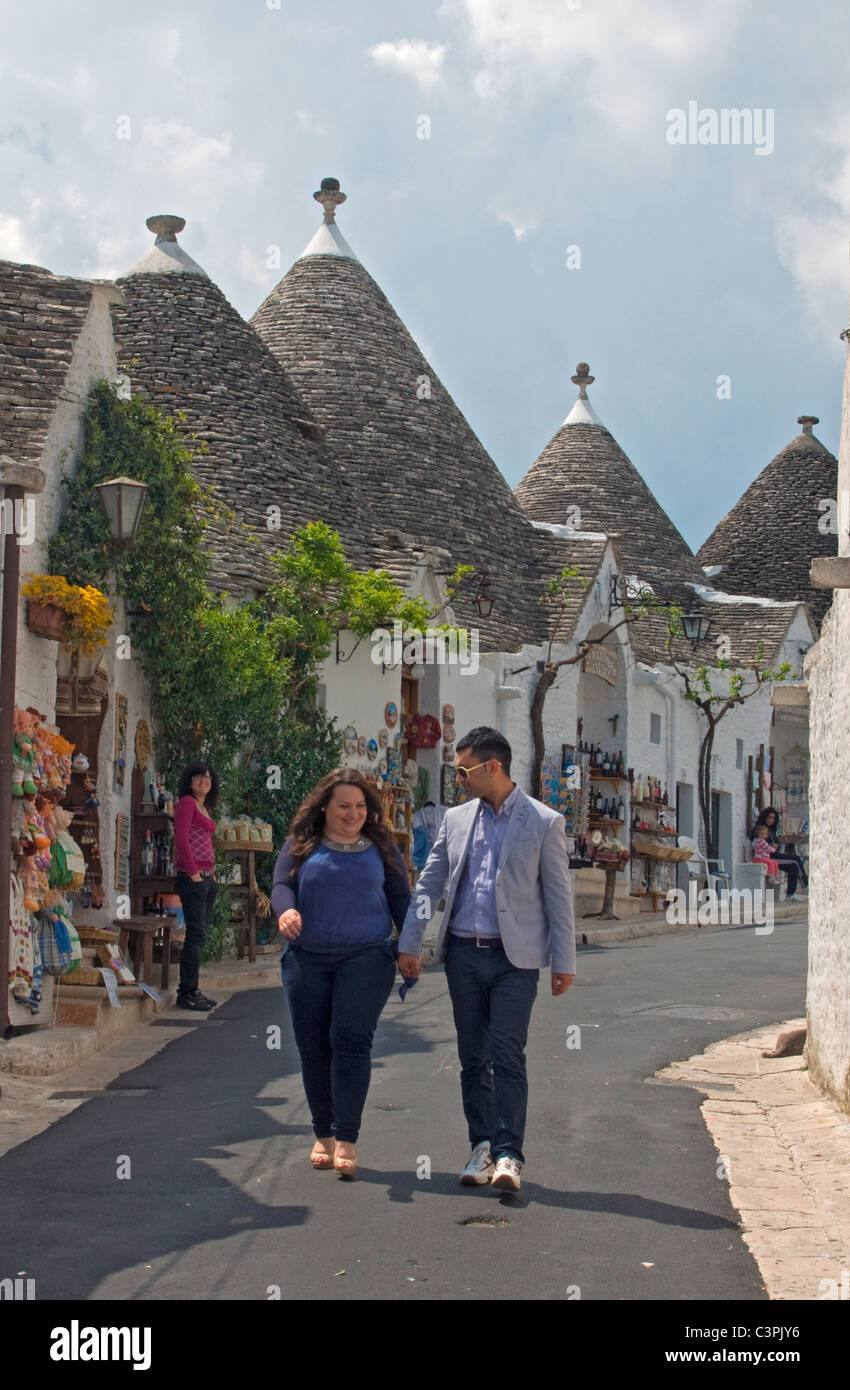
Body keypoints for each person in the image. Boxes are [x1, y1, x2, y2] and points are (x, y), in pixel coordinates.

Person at [398, 727, 575, 1193]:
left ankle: (509, 1154)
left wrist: (564, 960)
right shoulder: (455, 821)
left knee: (506, 1053)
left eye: (463, 770)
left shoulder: (543, 821)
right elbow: (429, 885)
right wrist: (410, 942)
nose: (459, 780)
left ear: (491, 767)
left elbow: (558, 895)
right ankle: (481, 1146)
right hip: (462, 955)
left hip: (514, 961)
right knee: (472, 1056)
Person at [271, 769, 411, 1178]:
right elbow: (281, 885)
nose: (353, 814)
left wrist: (409, 948)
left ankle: (347, 1136)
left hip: (367, 956)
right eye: (344, 806)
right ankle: (323, 1134)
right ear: (325, 808)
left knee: (350, 1037)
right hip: (306, 958)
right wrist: (287, 911)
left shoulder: (383, 848)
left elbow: (402, 899)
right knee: (314, 1047)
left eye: (361, 806)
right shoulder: (301, 845)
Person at [173, 761, 219, 1012]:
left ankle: (193, 989)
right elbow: (180, 839)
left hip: (206, 877)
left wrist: (209, 876)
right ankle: (187, 993)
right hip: (193, 878)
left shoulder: (205, 806)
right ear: (189, 781)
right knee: (194, 936)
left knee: (199, 936)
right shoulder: (187, 804)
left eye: (209, 777)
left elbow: (202, 840)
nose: (205, 781)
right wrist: (193, 875)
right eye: (199, 777)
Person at [751, 807, 807, 902]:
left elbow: (776, 844)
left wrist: (776, 846)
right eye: (769, 817)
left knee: (793, 866)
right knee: (796, 859)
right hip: (769, 857)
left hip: (773, 855)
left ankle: (790, 894)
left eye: (773, 818)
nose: (770, 819)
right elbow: (757, 842)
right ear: (764, 816)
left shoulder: (772, 830)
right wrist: (772, 846)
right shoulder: (760, 829)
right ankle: (805, 885)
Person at [750, 822, 780, 887]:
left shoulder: (757, 840)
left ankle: (776, 876)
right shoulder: (761, 841)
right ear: (757, 834)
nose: (764, 835)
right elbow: (769, 849)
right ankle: (771, 877)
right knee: (772, 863)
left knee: (775, 862)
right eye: (762, 834)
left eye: (765, 834)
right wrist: (774, 848)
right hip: (759, 858)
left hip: (760, 858)